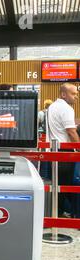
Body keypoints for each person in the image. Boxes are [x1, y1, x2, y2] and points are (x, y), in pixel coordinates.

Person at [47, 83, 80, 217]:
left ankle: (58, 213)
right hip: (64, 153)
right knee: (65, 185)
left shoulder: (52, 107)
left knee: (57, 185)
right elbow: (71, 132)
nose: (76, 97)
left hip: (52, 151)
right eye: (73, 94)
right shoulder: (66, 109)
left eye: (77, 94)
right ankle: (67, 214)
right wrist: (78, 148)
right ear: (63, 94)